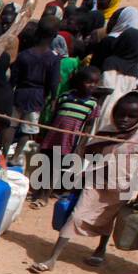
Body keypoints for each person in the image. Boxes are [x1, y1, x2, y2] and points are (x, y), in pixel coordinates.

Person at [32, 91, 138, 272]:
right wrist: (109, 141)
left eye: (131, 116)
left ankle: (101, 249)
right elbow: (88, 151)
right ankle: (52, 258)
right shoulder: (107, 131)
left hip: (123, 187)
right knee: (76, 216)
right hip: (96, 182)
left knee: (108, 220)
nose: (124, 119)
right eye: (121, 114)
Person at [29, 65, 101, 206]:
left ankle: (43, 197)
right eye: (88, 82)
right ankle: (39, 192)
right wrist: (44, 134)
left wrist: (81, 146)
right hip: (53, 137)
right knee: (46, 164)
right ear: (79, 82)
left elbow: (88, 127)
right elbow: (54, 117)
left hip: (68, 141)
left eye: (95, 83)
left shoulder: (92, 104)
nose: (92, 86)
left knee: (56, 167)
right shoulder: (65, 97)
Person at [12, 18, 64, 159]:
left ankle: (4, 154)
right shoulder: (53, 59)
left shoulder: (24, 55)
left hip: (20, 93)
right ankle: (16, 157)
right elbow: (53, 82)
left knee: (11, 125)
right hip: (37, 96)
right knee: (28, 129)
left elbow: (14, 77)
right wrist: (53, 99)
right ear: (54, 36)